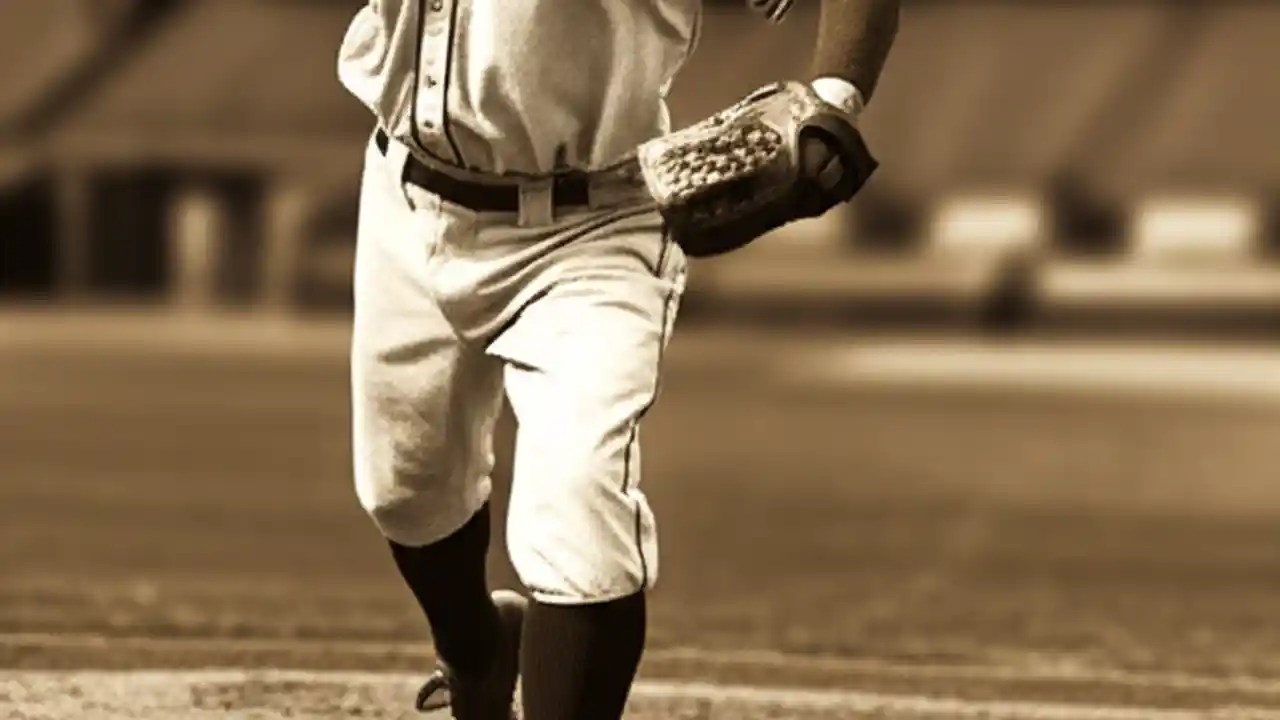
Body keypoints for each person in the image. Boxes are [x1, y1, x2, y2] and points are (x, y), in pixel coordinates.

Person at [337, 0, 899, 717]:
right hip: (406, 197)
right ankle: (479, 653)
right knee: (406, 491)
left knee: (578, 501)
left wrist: (835, 95)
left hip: (595, 222)